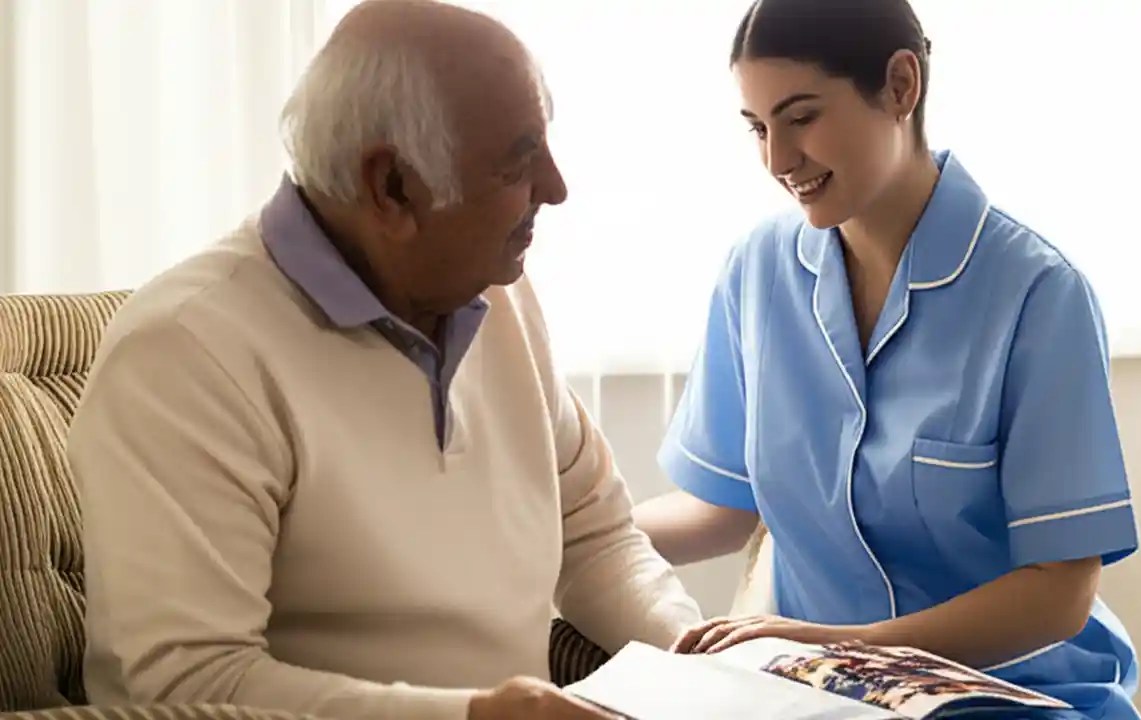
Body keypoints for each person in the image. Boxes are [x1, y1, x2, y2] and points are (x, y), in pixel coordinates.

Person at [67, 2, 700, 719]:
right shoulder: (187, 353)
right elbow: (185, 687)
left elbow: (596, 536)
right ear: (392, 187)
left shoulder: (502, 299)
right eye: (519, 163)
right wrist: (471, 715)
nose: (555, 189)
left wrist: (713, 659)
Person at [633, 1, 1141, 718]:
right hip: (826, 696)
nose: (777, 160)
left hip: (1019, 695)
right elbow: (720, 508)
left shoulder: (1037, 295)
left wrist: (849, 646)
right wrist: (557, 544)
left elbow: (1060, 590)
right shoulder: (758, 272)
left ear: (902, 86)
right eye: (758, 128)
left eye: (801, 117)